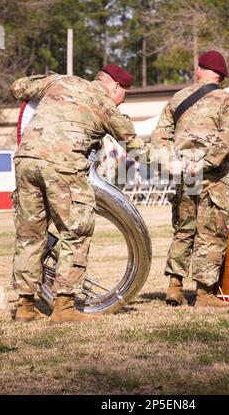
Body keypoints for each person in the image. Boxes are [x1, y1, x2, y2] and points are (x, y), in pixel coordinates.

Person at [10, 64, 147, 323]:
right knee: (76, 232)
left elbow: (17, 87)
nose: (120, 104)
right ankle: (63, 307)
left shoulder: (60, 81)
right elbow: (137, 149)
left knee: (30, 235)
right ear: (115, 86)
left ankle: (25, 306)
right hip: (63, 165)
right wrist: (174, 163)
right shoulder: (105, 104)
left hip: (26, 159)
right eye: (123, 97)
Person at [151, 50, 229, 308]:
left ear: (201, 70)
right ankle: (204, 294)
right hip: (212, 178)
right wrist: (203, 164)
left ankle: (174, 286)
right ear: (220, 75)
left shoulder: (178, 98)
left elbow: (160, 133)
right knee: (211, 231)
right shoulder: (228, 100)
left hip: (184, 174)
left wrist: (171, 161)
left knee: (184, 228)